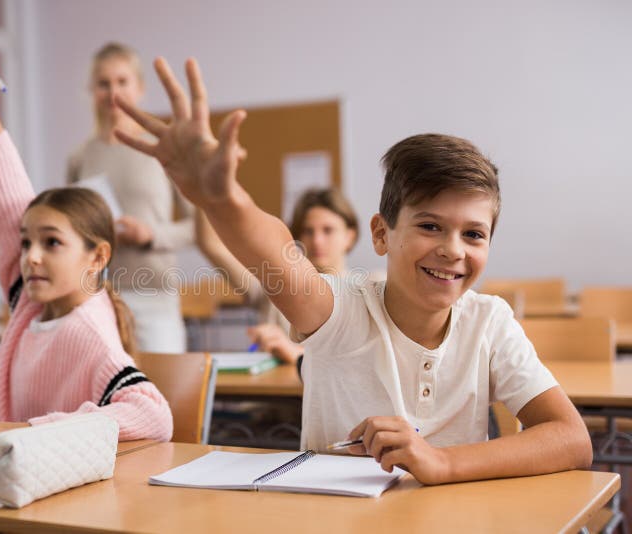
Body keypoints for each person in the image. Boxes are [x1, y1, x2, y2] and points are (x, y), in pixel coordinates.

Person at [114, 57, 592, 484]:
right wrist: (222, 200)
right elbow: (279, 253)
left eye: (474, 234)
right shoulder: (340, 309)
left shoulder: (490, 322)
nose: (452, 250)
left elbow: (572, 439)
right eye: (430, 226)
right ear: (381, 234)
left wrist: (442, 463)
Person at [0, 6, 171, 455]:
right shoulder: (29, 299)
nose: (31, 256)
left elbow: (154, 415)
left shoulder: (88, 331)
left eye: (52, 243)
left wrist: (29, 431)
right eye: (27, 243)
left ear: (97, 257)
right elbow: (6, 199)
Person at [65, 42, 194, 353]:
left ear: (140, 88)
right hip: (98, 296)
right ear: (91, 91)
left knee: (163, 393)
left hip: (155, 296)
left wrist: (150, 235)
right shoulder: (80, 157)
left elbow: (197, 227)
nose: (113, 92)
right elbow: (70, 228)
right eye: (103, 83)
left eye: (122, 82)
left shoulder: (163, 149)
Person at [196, 187, 363, 364]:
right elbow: (210, 243)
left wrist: (296, 353)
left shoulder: (365, 293)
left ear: (349, 237)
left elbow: (358, 361)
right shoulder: (273, 285)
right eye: (308, 231)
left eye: (328, 230)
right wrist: (206, 185)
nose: (317, 241)